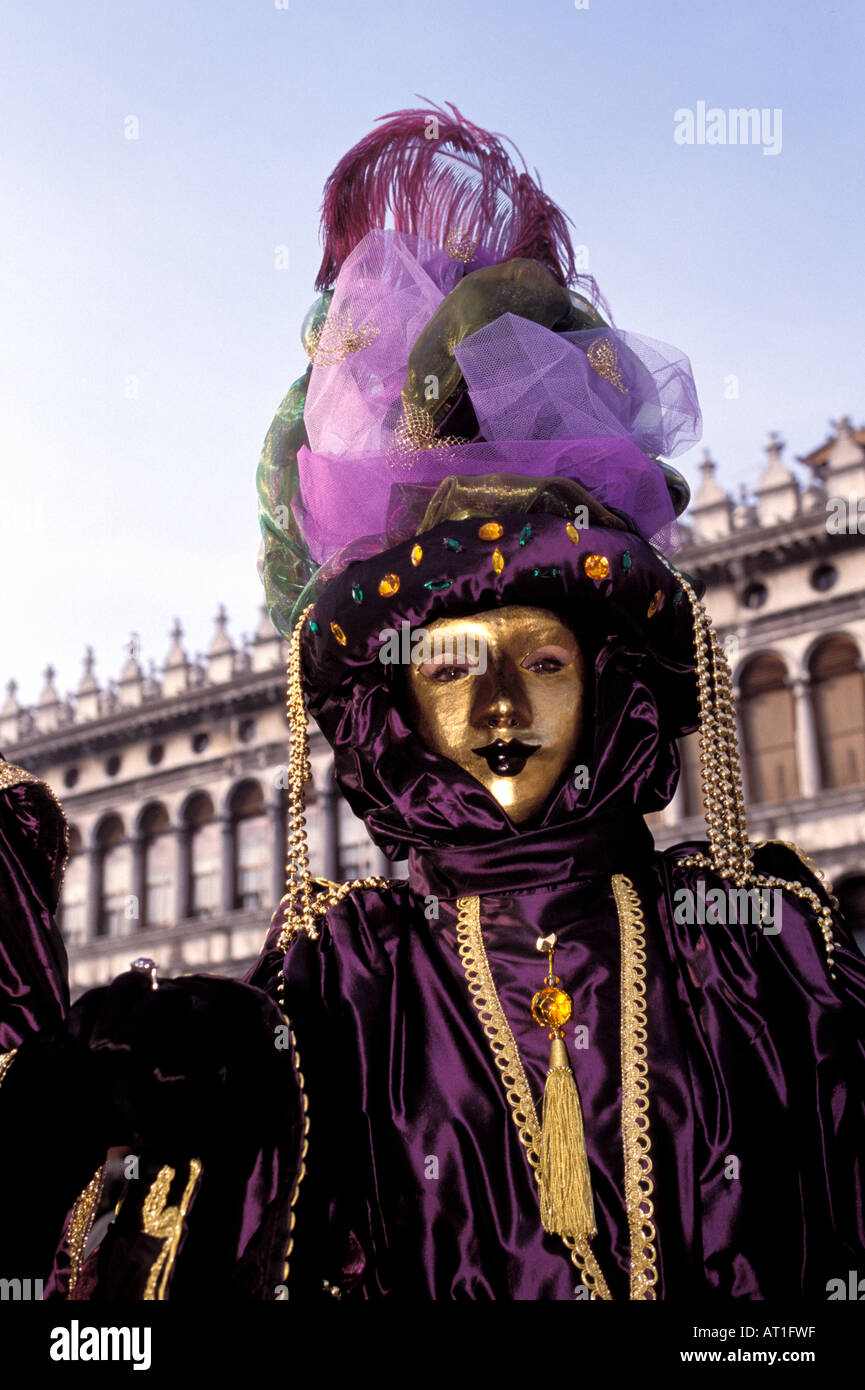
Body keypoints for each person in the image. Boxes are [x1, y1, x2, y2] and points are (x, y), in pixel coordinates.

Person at [1, 103, 863, 1302]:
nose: (502, 706)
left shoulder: (759, 946)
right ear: (400, 706)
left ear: (610, 681)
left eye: (544, 660)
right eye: (453, 667)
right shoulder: (354, 981)